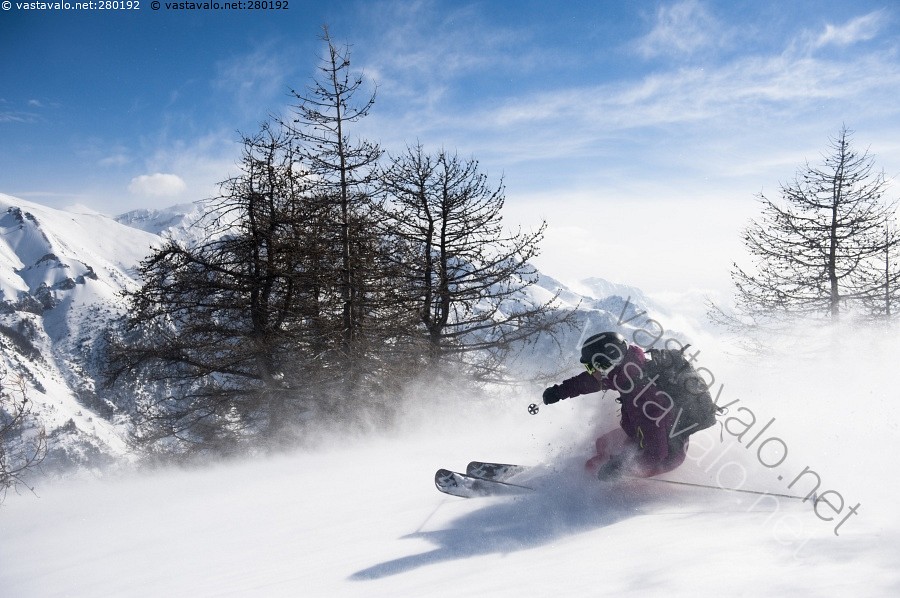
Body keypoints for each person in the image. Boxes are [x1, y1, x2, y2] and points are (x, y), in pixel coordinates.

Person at [542, 331, 689, 481]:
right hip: (642, 435)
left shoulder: (643, 397)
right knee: (602, 443)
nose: (591, 372)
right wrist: (559, 392)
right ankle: (602, 469)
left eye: (592, 368)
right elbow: (590, 382)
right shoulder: (625, 373)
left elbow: (657, 453)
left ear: (606, 364)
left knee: (593, 468)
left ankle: (592, 489)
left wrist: (620, 468)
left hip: (666, 456)